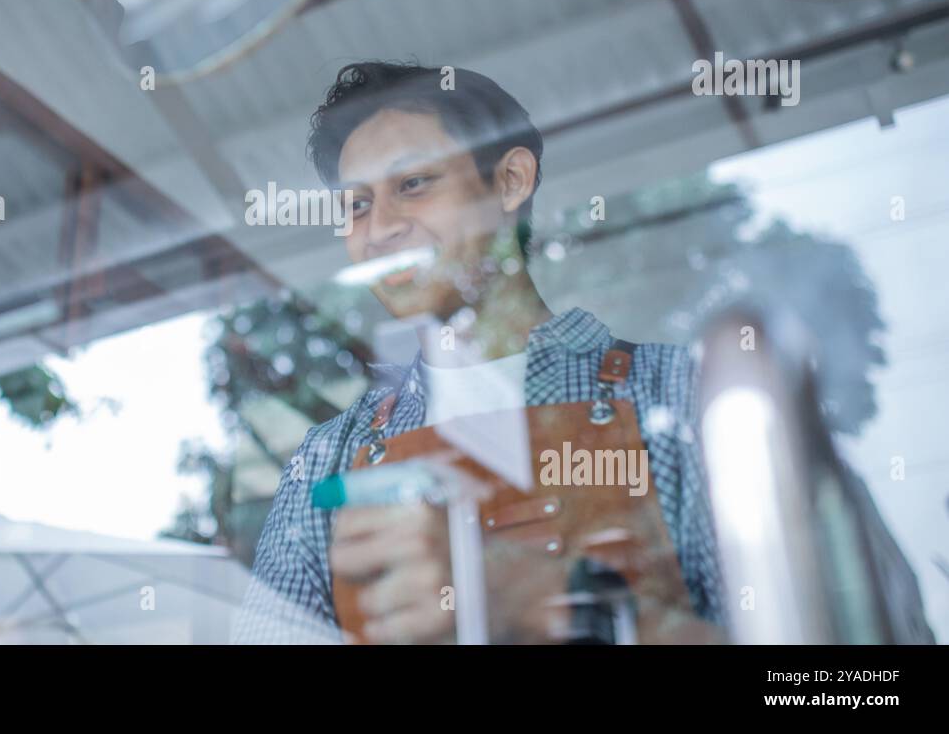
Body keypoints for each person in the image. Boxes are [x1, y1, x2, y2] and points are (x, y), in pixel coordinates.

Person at [231, 61, 932, 644]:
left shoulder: (684, 397)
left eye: (414, 183)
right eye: (355, 206)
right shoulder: (326, 461)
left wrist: (551, 602)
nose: (379, 228)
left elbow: (858, 673)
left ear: (509, 181)